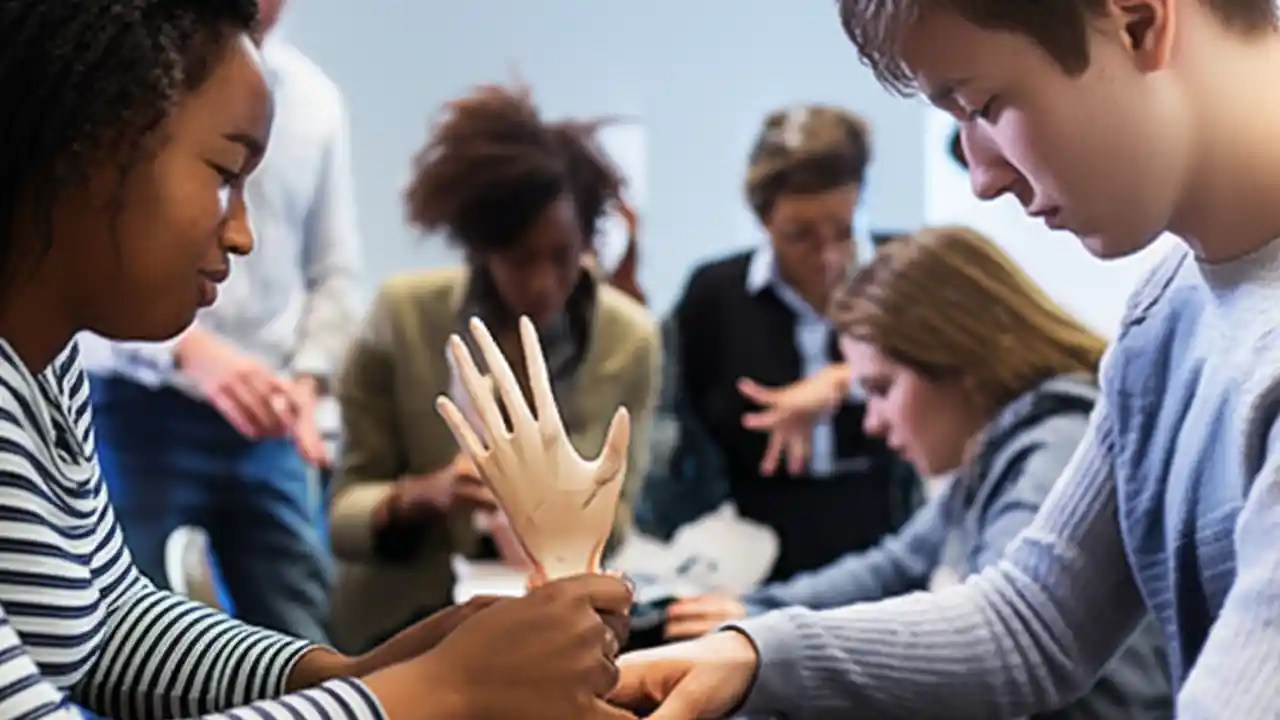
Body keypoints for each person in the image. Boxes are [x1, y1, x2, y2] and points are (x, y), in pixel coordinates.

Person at [608, 0, 1280, 717]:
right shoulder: (1164, 318)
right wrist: (749, 653)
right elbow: (1032, 621)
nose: (983, 175)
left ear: (1138, 21)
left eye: (984, 104)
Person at [0, 2, 634, 718]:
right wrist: (432, 692)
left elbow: (108, 623)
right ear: (90, 142)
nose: (242, 235)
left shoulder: (45, 371)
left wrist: (352, 671)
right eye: (223, 175)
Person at [662, 226, 1172, 718]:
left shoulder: (1051, 455)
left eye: (882, 388)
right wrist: (753, 613)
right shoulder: (998, 454)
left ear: (959, 360)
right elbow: (897, 564)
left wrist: (765, 651)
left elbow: (1000, 646)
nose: (872, 422)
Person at [328, 83, 660, 653]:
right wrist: (418, 496)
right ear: (480, 247)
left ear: (588, 239)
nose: (542, 283)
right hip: (405, 627)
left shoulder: (628, 340)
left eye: (562, 256)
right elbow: (343, 518)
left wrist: (562, 510)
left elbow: (620, 519)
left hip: (557, 630)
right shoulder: (403, 318)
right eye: (519, 259)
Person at [79, 0, 354, 642]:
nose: (241, 237)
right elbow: (82, 267)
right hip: (144, 409)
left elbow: (334, 274)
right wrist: (190, 352)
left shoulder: (317, 102)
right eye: (222, 176)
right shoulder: (134, 80)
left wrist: (309, 383)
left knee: (298, 628)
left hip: (272, 417)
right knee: (123, 641)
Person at [634, 104, 918, 584]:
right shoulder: (714, 295)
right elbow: (671, 430)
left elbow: (953, 373)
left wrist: (842, 381)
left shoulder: (904, 272)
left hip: (890, 540)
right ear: (763, 219)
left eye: (844, 231)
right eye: (800, 235)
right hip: (752, 558)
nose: (827, 257)